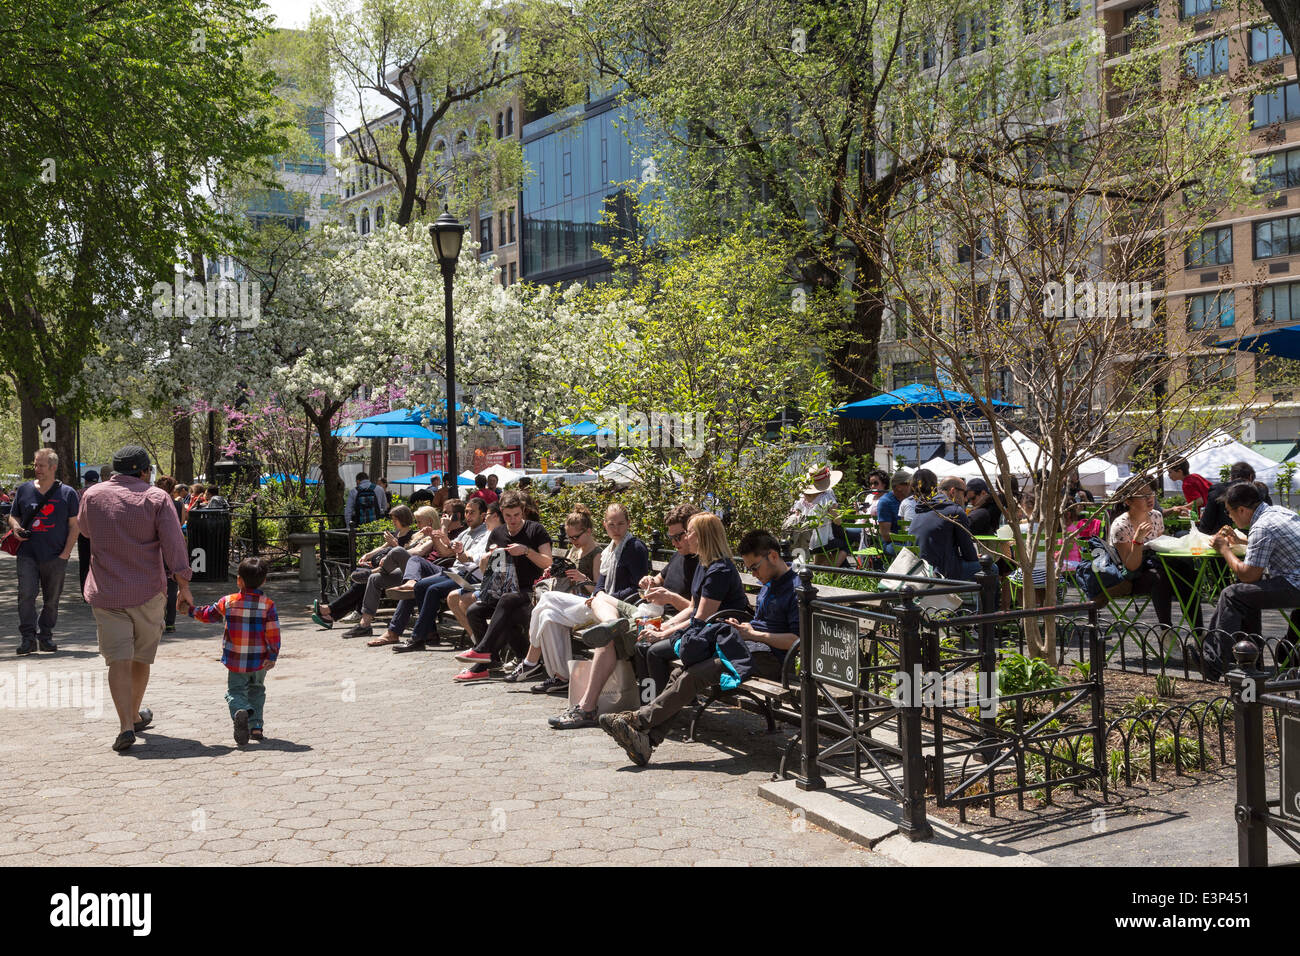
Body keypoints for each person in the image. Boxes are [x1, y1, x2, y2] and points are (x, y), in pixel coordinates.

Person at [597, 530, 799, 766]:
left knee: (695, 675)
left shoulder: (795, 590)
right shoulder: (768, 584)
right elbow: (760, 624)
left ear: (773, 555)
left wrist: (755, 634)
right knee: (678, 672)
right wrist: (744, 626)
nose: (754, 575)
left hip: (773, 661)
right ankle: (648, 740)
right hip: (748, 649)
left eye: (754, 568)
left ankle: (637, 721)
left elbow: (795, 640)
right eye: (750, 570)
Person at [552, 511, 743, 729]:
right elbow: (693, 608)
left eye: (687, 534)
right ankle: (647, 704)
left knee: (652, 649)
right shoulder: (703, 563)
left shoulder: (718, 570)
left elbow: (700, 617)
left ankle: (655, 711)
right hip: (687, 624)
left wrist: (663, 631)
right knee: (639, 640)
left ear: (702, 536)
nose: (681, 540)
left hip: (715, 634)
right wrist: (665, 624)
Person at [78, 445, 194, 752]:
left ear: (115, 470)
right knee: (141, 656)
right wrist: (184, 586)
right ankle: (132, 714)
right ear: (144, 471)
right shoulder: (157, 498)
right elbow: (173, 545)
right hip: (147, 592)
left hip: (106, 591)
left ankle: (126, 724)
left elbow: (86, 532)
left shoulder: (91, 495)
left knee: (118, 658)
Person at [1200, 482, 1300, 679]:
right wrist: (1242, 541)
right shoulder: (1278, 512)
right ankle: (1252, 658)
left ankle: (1215, 662)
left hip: (1295, 584)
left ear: (1243, 510)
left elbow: (1248, 574)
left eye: (1230, 512)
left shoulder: (1262, 526)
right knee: (1248, 593)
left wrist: (1225, 549)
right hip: (1294, 579)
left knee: (1232, 594)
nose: (1229, 516)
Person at [452, 490, 553, 681]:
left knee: (508, 604)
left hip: (530, 590)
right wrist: (487, 558)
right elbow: (485, 568)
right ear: (501, 513)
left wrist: (525, 551)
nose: (513, 520)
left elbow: (548, 563)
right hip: (502, 588)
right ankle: (496, 661)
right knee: (474, 611)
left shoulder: (535, 530)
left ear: (522, 511)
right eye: (508, 516)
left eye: (516, 515)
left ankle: (482, 653)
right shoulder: (497, 533)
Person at [503, 504, 606, 688]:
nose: (573, 541)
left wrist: (583, 578)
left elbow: (599, 591)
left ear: (589, 531)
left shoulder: (597, 554)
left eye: (576, 537)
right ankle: (561, 676)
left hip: (588, 605)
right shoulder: (575, 550)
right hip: (568, 602)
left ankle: (530, 659)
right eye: (570, 537)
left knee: (546, 600)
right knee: (547, 616)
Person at [184, 556, 280, 745]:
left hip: (236, 660)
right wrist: (273, 655)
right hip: (260, 661)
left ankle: (239, 710)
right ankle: (256, 727)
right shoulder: (268, 605)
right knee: (257, 690)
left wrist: (190, 610)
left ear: (239, 580)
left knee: (236, 691)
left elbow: (208, 615)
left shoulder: (228, 601)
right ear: (264, 580)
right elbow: (273, 633)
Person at [389, 497, 492, 652]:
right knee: (420, 586)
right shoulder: (465, 533)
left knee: (433, 590)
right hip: (454, 572)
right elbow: (444, 551)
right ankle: (429, 633)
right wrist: (433, 536)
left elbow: (471, 559)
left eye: (472, 513)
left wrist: (456, 548)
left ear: (483, 515)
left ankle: (417, 638)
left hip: (469, 575)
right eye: (466, 512)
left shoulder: (486, 533)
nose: (468, 516)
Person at [9, 448, 81, 654]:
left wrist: (65, 554)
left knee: (52, 599)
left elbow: (75, 526)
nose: (36, 469)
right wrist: (15, 528)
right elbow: (14, 516)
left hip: (55, 556)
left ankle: (46, 636)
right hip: (27, 554)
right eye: (35, 464)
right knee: (26, 595)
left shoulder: (67, 493)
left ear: (53, 467)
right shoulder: (24, 490)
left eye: (41, 465)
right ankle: (28, 638)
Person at [1103, 476, 1198, 630]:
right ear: (1128, 501)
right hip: (1130, 577)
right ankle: (1166, 631)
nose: (1150, 498)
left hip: (1155, 567)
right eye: (1143, 496)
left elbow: (1160, 548)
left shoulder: (1156, 516)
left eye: (1151, 493)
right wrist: (1138, 540)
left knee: (1187, 571)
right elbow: (1131, 567)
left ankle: (1198, 630)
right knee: (1160, 577)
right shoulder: (1121, 525)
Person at [311, 505, 421, 637]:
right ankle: (330, 614)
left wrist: (394, 544)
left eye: (395, 519)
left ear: (402, 518)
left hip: (395, 572)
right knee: (361, 583)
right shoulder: (396, 533)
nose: (393, 521)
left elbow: (403, 555)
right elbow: (382, 547)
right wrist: (367, 555)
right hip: (382, 568)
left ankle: (330, 612)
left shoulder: (412, 536)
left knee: (362, 582)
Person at [910, 469, 979, 581]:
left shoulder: (922, 508)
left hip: (917, 570)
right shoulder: (955, 511)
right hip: (941, 573)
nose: (966, 499)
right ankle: (992, 599)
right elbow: (969, 554)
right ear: (953, 492)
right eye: (964, 493)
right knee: (991, 568)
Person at [786, 464, 850, 567]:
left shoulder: (802, 497)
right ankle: (828, 573)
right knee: (844, 546)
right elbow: (838, 521)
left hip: (802, 541)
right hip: (819, 542)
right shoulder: (826, 497)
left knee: (825, 547)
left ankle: (818, 572)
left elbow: (796, 516)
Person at [1198, 462, 1271, 535]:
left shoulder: (1217, 490)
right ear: (1251, 477)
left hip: (1222, 540)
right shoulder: (1261, 491)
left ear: (1231, 477)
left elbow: (1205, 526)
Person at [876, 469, 912, 555]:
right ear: (899, 486)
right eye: (910, 484)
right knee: (909, 552)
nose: (913, 486)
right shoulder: (885, 502)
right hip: (892, 543)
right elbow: (885, 535)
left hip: (909, 541)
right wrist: (909, 539)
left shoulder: (913, 499)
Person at [77, 470, 100, 598]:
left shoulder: (79, 493)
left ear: (86, 480)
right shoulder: (102, 492)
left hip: (83, 532)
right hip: (99, 532)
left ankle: (85, 592)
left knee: (84, 563)